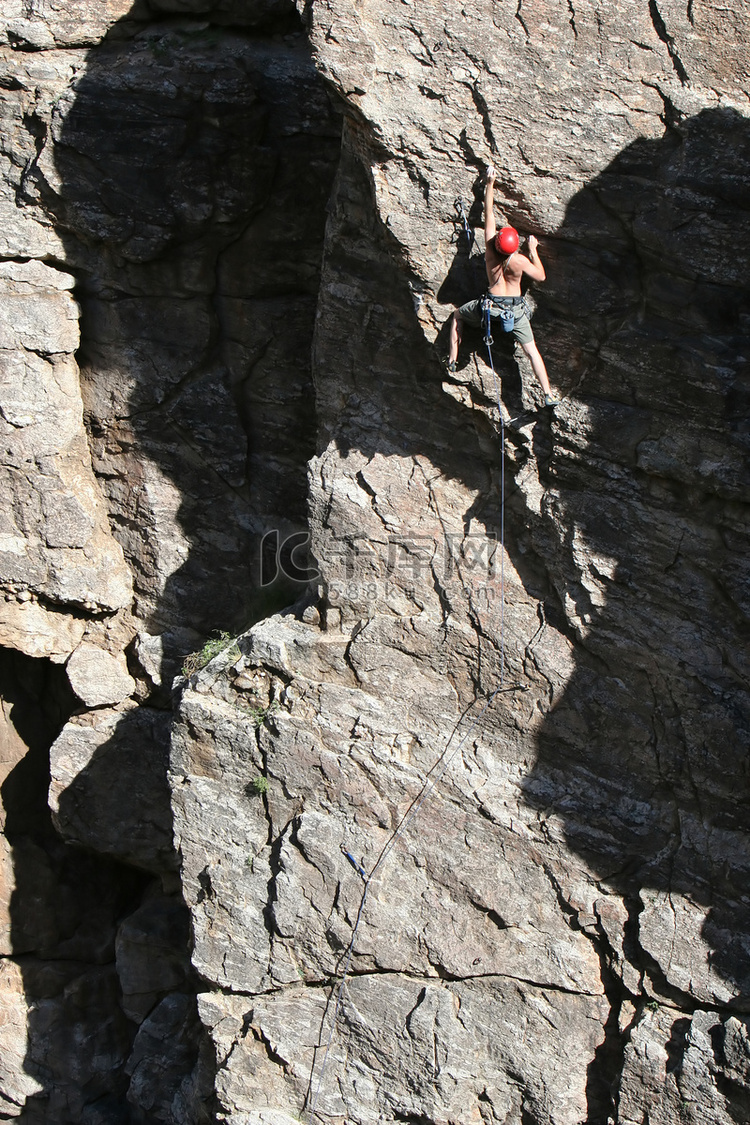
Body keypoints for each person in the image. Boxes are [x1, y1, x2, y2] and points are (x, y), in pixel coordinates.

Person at [447, 165, 559, 406]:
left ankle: (453, 359)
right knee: (532, 353)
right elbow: (540, 277)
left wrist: (489, 184)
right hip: (515, 311)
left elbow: (489, 214)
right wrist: (533, 251)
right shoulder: (519, 261)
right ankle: (548, 394)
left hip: (490, 308)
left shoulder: (489, 251)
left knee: (457, 315)